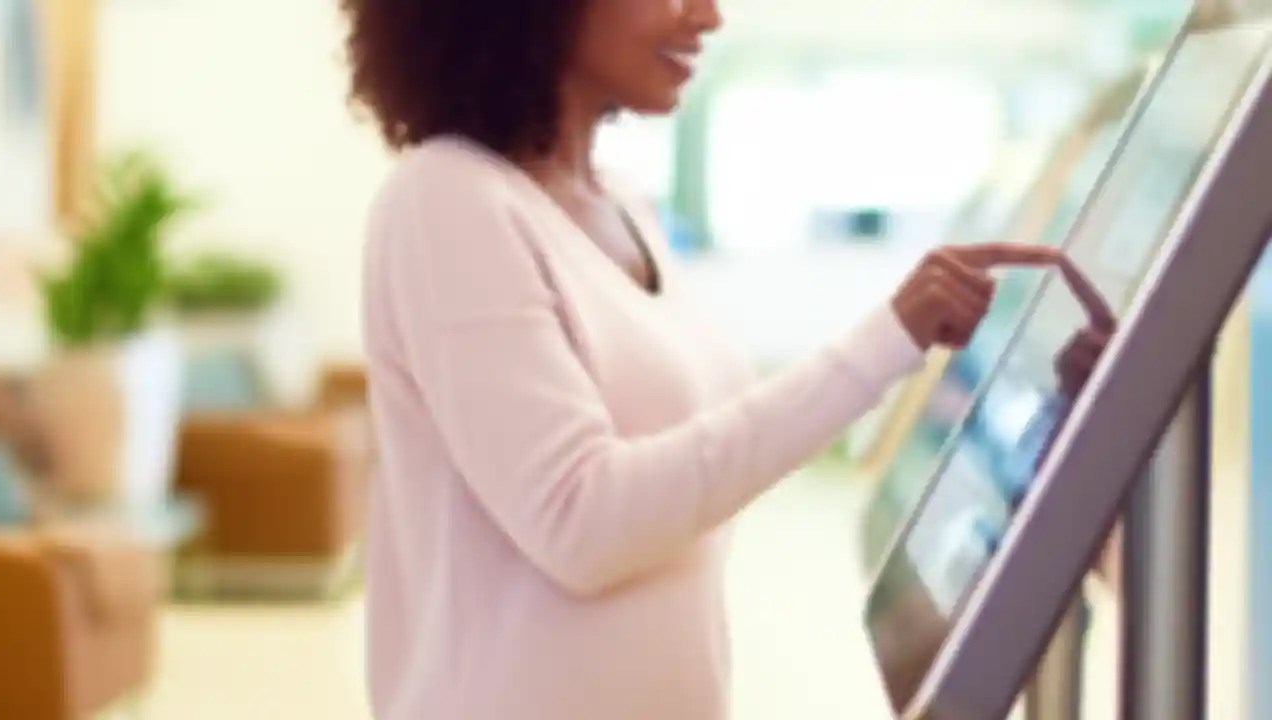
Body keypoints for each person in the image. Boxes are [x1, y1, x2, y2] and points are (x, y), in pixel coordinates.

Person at [340, 1, 1069, 718]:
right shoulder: (447, 200)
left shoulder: (619, 202)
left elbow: (698, 465)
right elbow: (580, 525)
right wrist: (883, 345)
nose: (708, 16)